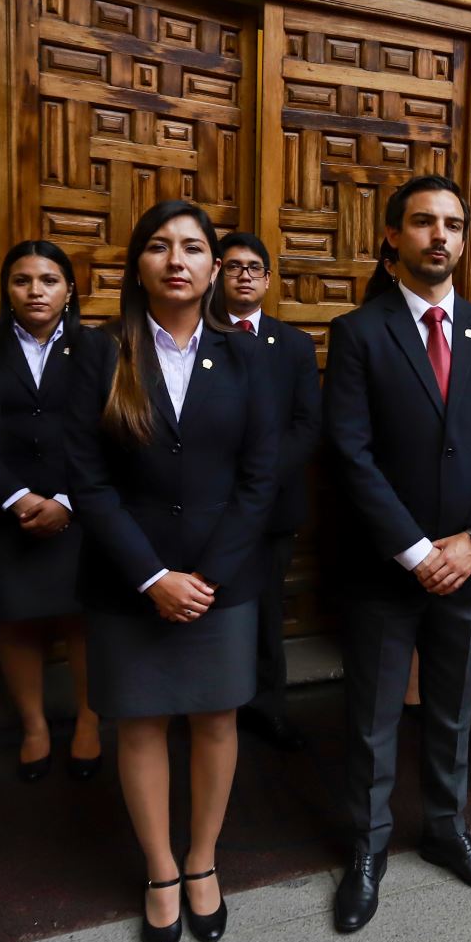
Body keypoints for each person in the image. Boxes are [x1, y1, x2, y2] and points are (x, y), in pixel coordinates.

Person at [65, 199, 278, 942]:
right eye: (160, 247)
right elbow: (86, 482)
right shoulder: (98, 353)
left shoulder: (249, 354)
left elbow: (260, 477)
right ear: (139, 265)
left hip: (222, 578)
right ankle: (159, 867)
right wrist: (153, 574)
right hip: (130, 575)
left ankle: (202, 858)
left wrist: (207, 577)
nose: (177, 260)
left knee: (216, 719)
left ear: (216, 268)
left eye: (193, 248)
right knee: (143, 722)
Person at [322, 174, 471, 933]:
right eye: (422, 223)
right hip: (386, 567)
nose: (439, 235)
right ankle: (368, 849)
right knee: (375, 717)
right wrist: (415, 551)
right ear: (392, 237)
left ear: (465, 239)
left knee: (452, 712)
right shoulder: (358, 333)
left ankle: (447, 830)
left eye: (452, 224)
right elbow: (350, 453)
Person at [0, 240, 106, 782]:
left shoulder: (97, 348)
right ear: (7, 288)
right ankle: (33, 726)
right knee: (16, 622)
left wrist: (65, 501)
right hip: (4, 508)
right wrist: (16, 497)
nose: (36, 290)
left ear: (69, 289)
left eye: (49, 279)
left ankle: (88, 720)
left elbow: (112, 431)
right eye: (22, 280)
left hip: (78, 506)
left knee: (82, 619)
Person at [209, 230, 322, 752]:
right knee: (211, 609)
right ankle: (212, 707)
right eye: (234, 267)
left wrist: (259, 478)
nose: (245, 275)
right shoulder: (199, 335)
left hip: (272, 505)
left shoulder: (294, 344)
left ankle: (267, 705)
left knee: (267, 609)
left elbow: (307, 424)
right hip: (208, 506)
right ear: (217, 274)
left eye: (255, 267)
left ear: (269, 279)